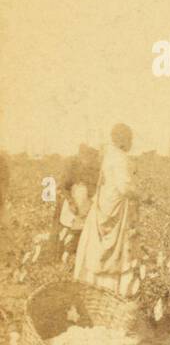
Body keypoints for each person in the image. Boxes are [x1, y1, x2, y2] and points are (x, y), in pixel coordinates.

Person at [74, 123, 142, 297]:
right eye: (130, 139)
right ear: (123, 140)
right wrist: (142, 195)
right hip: (117, 209)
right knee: (116, 251)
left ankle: (94, 288)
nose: (132, 142)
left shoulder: (109, 156)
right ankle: (113, 291)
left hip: (105, 205)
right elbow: (124, 187)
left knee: (98, 248)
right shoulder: (121, 158)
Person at [51, 144, 100, 262]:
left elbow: (95, 190)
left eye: (92, 156)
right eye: (87, 155)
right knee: (67, 230)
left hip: (85, 204)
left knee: (80, 231)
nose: (90, 159)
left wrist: (90, 202)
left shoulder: (95, 169)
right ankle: (60, 255)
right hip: (72, 202)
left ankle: (74, 254)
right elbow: (63, 186)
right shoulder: (72, 166)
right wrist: (71, 203)